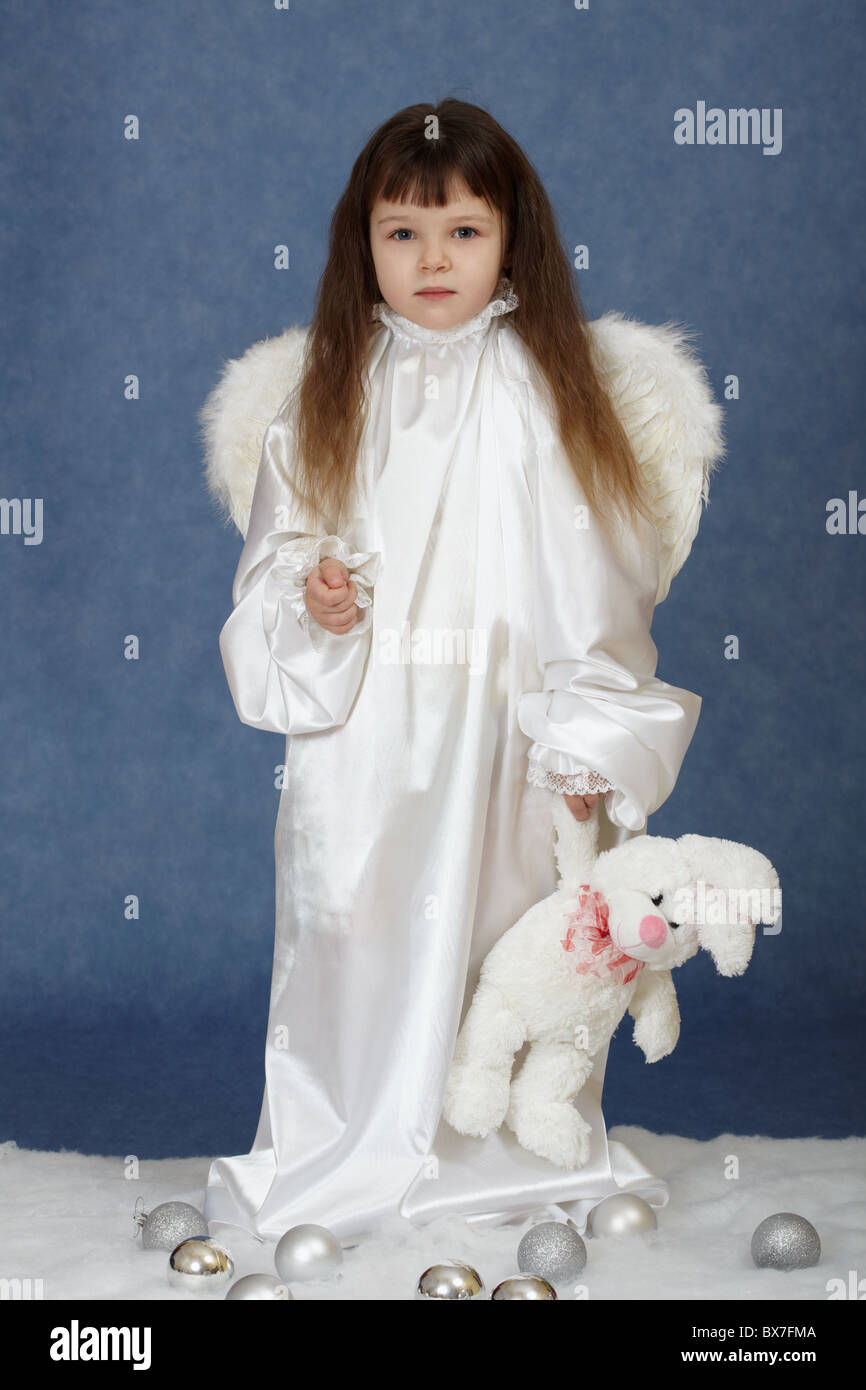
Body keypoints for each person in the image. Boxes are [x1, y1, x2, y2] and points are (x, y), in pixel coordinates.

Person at [203, 99, 703, 1245]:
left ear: (511, 240)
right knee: (360, 926)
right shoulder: (324, 402)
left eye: (463, 233)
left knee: (512, 935)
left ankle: (496, 1150)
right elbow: (277, 563)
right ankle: (350, 1141)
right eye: (402, 233)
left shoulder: (548, 400)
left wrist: (583, 736)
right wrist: (314, 602)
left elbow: (601, 586)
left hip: (506, 737)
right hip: (370, 739)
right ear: (360, 245)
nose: (432, 260)